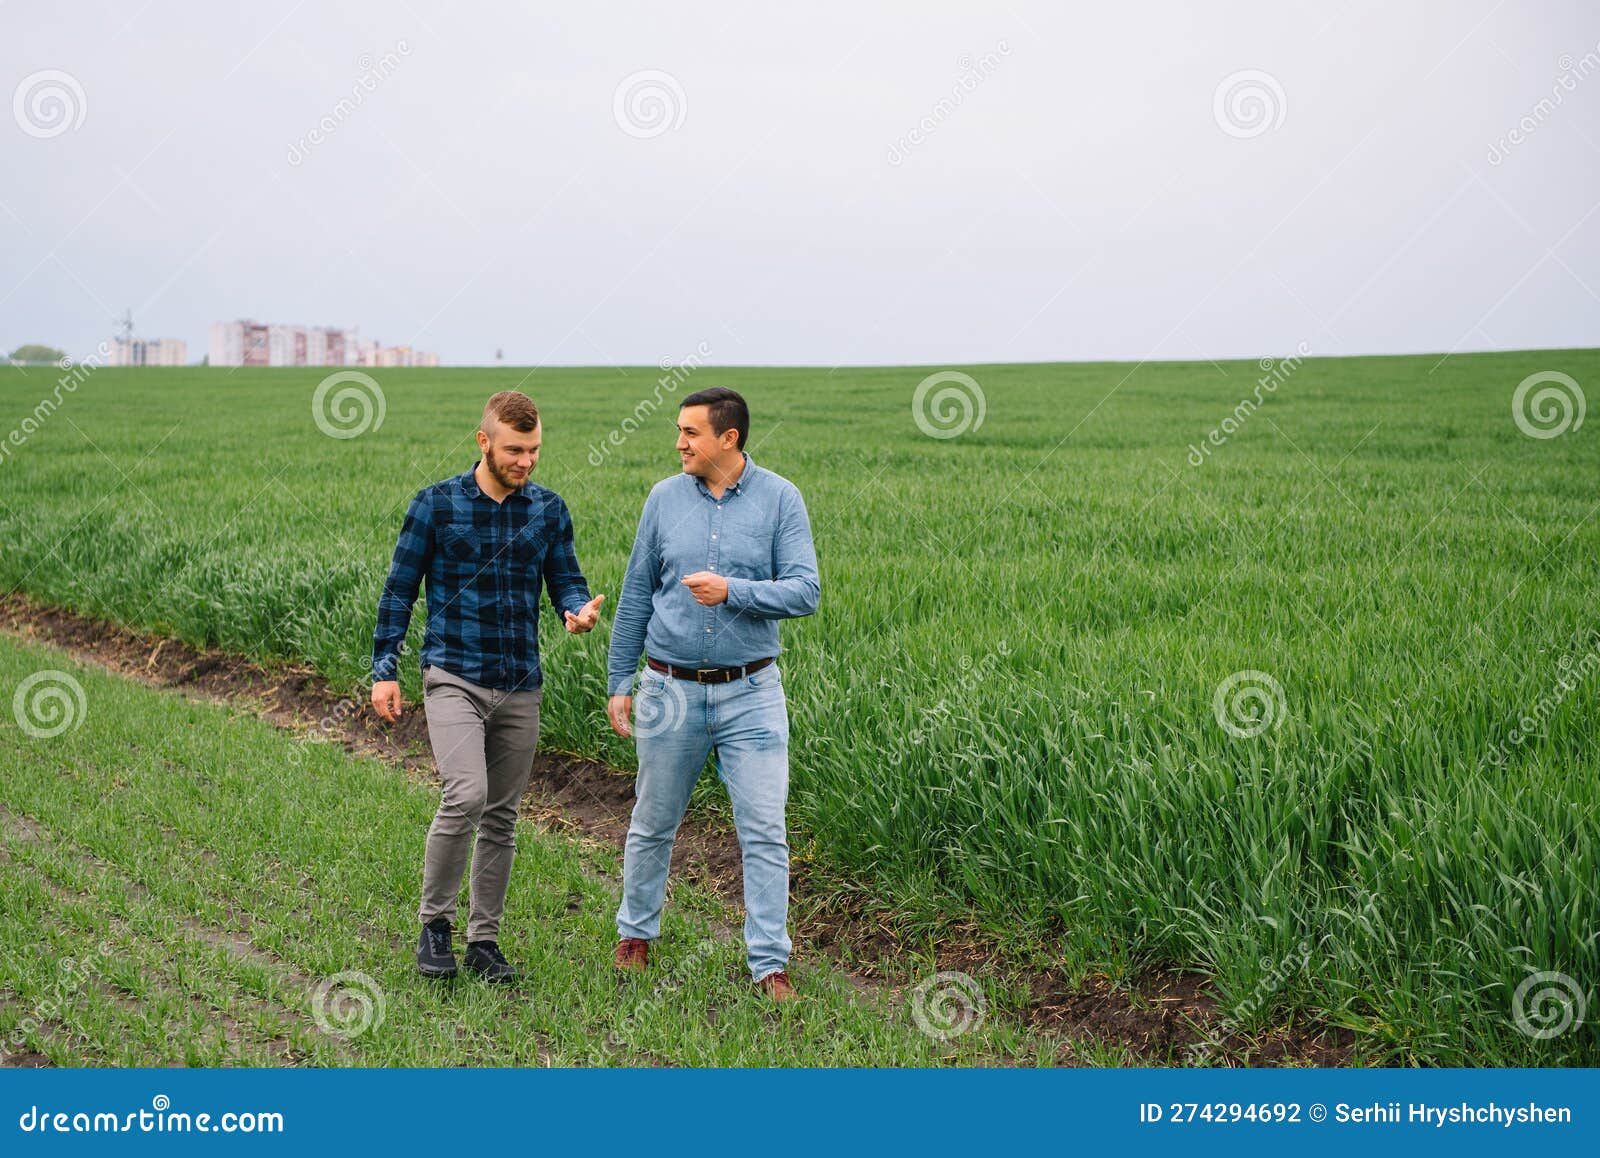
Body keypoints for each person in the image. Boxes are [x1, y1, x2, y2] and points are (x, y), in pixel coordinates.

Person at [371, 390, 604, 983]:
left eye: (533, 450)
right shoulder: (437, 505)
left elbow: (566, 581)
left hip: (521, 680)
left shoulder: (549, 511)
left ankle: (484, 943)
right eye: (514, 450)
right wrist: (384, 670)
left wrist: (576, 611)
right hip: (452, 674)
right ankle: (434, 927)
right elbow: (400, 590)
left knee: (502, 815)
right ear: (484, 442)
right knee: (466, 795)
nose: (526, 461)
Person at [606, 386, 819, 1002]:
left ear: (728, 439)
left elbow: (806, 591)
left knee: (764, 829)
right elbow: (636, 595)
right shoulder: (662, 500)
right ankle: (636, 934)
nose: (678, 443)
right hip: (667, 688)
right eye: (678, 431)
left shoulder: (781, 500)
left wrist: (735, 591)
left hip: (751, 693)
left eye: (690, 433)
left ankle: (769, 965)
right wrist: (621, 682)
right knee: (653, 821)